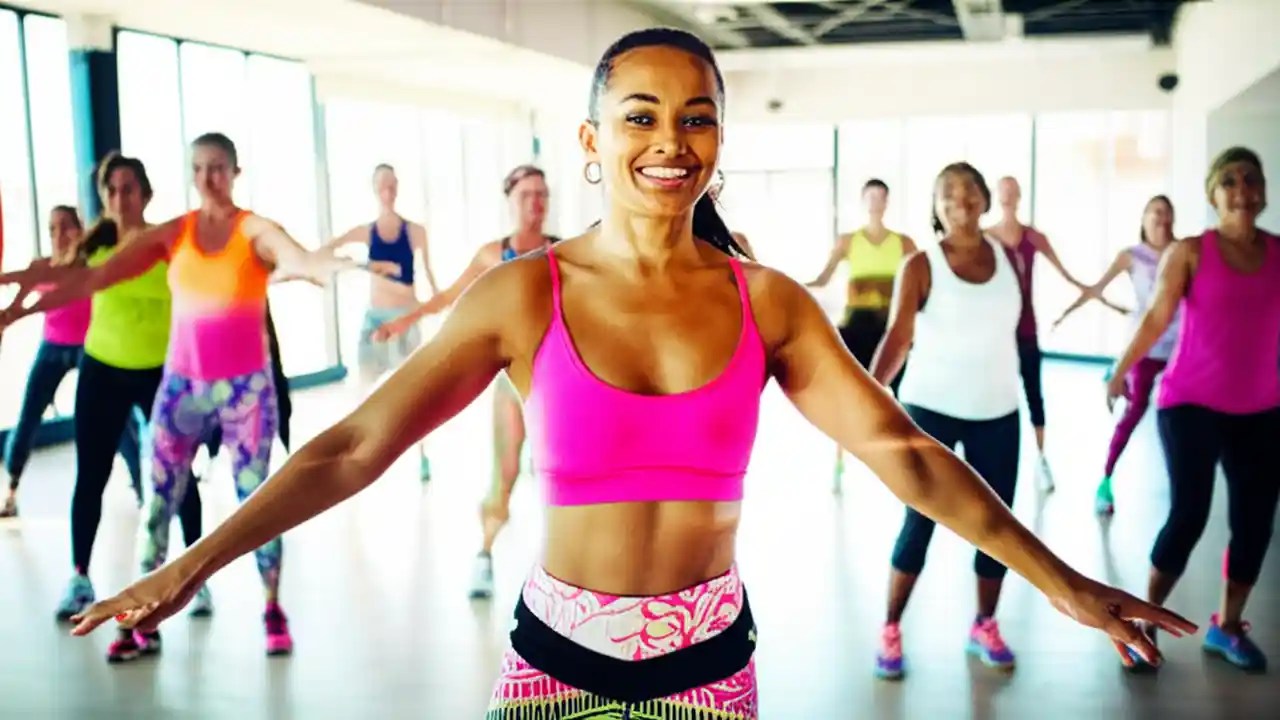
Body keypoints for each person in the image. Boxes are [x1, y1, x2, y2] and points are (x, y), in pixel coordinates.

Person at [66, 28, 1193, 718]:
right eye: (640, 116)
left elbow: (904, 451)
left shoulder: (767, 303)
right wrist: (194, 565)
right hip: (555, 659)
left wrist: (1060, 581)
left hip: (710, 665)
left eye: (695, 118)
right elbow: (356, 444)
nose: (670, 139)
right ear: (592, 141)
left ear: (717, 142)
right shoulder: (524, 294)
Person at [0, 134, 351, 660]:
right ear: (190, 173)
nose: (208, 178)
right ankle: (141, 622)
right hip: (181, 388)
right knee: (156, 504)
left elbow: (288, 252)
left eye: (217, 168)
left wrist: (313, 265)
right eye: (199, 168)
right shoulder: (175, 234)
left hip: (244, 392)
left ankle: (271, 606)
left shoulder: (249, 228)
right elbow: (90, 277)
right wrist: (17, 312)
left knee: (257, 503)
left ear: (234, 172)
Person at [0, 154, 209, 626]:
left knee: (178, 473)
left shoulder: (169, 246)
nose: (119, 198)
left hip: (159, 373)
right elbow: (45, 274)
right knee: (90, 475)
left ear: (146, 194)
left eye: (128, 189)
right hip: (102, 371)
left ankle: (197, 577)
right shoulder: (94, 248)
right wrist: (12, 309)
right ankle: (79, 577)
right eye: (111, 190)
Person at [1106, 147, 1274, 673]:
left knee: (1255, 523)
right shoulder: (1190, 251)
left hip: (1263, 408)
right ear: (1212, 194)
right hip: (1190, 403)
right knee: (1189, 514)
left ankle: (1226, 629)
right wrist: (1119, 370)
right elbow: (1156, 318)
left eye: (1251, 179)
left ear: (1264, 190)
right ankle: (1145, 621)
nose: (1241, 189)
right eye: (1229, 180)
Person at [866, 162, 1024, 679]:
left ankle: (984, 623)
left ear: (984, 198)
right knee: (920, 520)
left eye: (969, 190)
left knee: (996, 526)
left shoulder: (1006, 256)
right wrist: (867, 400)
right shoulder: (920, 265)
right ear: (935, 205)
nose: (960, 200)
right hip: (930, 411)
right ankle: (890, 627)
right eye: (947, 193)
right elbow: (897, 339)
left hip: (998, 413)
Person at [374, 164, 559, 600]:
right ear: (510, 201)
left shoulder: (565, 250)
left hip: (562, 385)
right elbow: (449, 298)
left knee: (564, 479)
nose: (536, 203)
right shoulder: (493, 255)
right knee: (506, 472)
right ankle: (484, 553)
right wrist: (404, 321)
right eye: (526, 195)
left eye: (542, 195)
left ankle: (565, 572)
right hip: (515, 385)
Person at [0, 206, 145, 518]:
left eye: (66, 226)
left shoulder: (89, 263)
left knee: (116, 421)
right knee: (28, 418)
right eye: (52, 228)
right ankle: (10, 490)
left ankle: (143, 491)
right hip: (51, 349)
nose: (58, 234)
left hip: (89, 348)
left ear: (79, 230)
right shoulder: (41, 267)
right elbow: (16, 304)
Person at [987, 177, 1122, 492]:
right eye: (1003, 192)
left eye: (1012, 191)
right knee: (996, 399)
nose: (1008, 197)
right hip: (996, 331)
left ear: (1019, 196)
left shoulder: (1033, 237)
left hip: (1026, 330)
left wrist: (1096, 297)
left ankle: (1041, 460)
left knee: (1034, 394)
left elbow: (1066, 274)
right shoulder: (987, 238)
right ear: (997, 196)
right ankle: (991, 467)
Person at [1053, 195, 1177, 515]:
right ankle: (1106, 480)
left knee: (1180, 420)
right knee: (1134, 412)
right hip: (1143, 348)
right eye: (1155, 212)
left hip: (1180, 349)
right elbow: (1096, 289)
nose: (1162, 219)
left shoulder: (1183, 252)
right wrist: (1067, 313)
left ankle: (1184, 490)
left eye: (1167, 213)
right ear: (1144, 218)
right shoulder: (1131, 256)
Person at [323, 164, 437, 480]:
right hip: (375, 320)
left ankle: (422, 456)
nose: (387, 191)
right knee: (363, 386)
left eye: (391, 184)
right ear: (375, 189)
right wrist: (369, 266)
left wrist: (441, 302)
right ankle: (354, 452)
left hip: (405, 319)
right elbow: (329, 252)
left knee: (414, 393)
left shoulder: (415, 232)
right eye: (381, 185)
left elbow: (429, 276)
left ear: (397, 186)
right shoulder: (366, 232)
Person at [807, 179, 916, 489]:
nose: (875, 202)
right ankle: (839, 462)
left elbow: (920, 287)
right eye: (870, 196)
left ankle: (907, 463)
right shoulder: (847, 241)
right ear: (863, 200)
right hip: (855, 328)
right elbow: (822, 278)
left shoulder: (904, 243)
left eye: (881, 197)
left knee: (901, 397)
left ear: (887, 201)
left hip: (890, 330)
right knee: (852, 397)